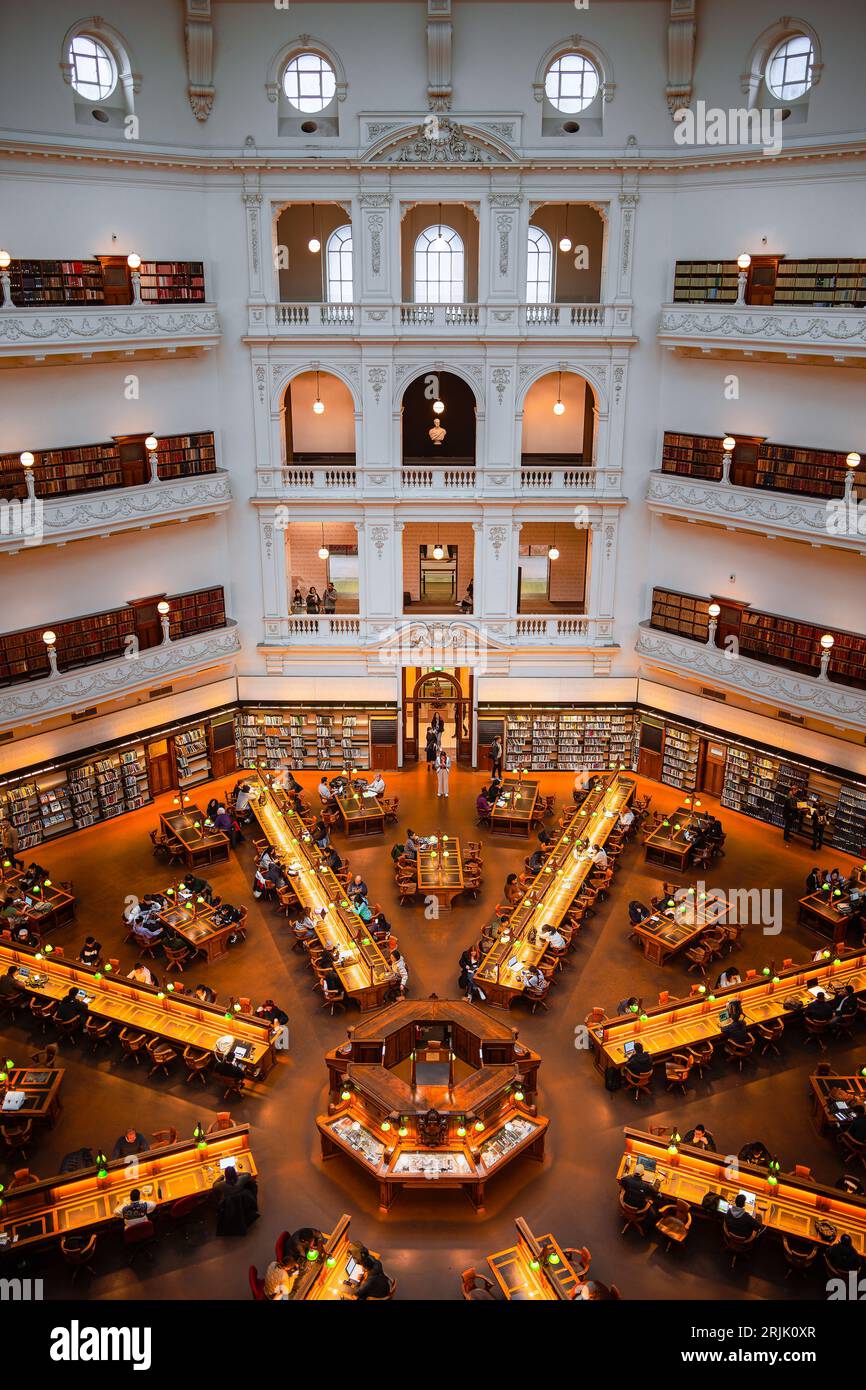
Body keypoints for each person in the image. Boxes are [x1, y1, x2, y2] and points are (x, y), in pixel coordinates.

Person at [213, 1165, 259, 1236]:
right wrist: (239, 1173)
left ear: (226, 1176)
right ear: (235, 1173)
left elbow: (214, 1185)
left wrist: (221, 1177)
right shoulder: (241, 1179)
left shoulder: (222, 1184)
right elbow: (248, 1174)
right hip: (243, 1200)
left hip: (228, 1205)